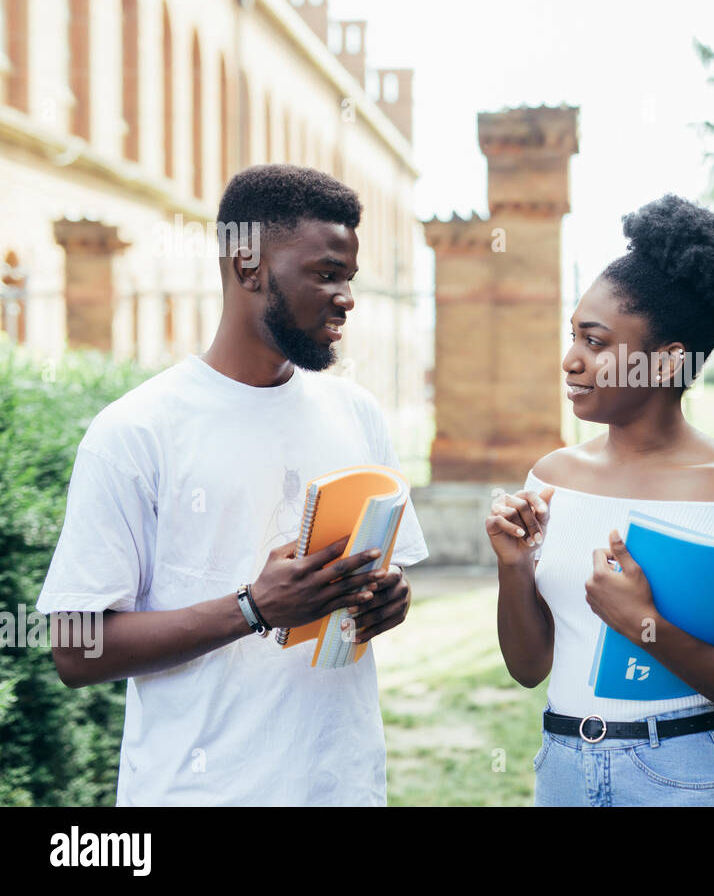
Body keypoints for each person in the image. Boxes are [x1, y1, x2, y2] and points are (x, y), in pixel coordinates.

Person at [37, 165, 429, 806]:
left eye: (348, 278)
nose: (347, 298)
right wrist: (254, 608)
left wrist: (388, 601)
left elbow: (389, 578)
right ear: (249, 267)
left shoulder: (356, 414)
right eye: (326, 273)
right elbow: (76, 650)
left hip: (342, 787)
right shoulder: (136, 430)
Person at [484, 194, 714, 807]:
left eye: (596, 343)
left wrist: (643, 625)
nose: (571, 361)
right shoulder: (549, 479)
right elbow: (528, 668)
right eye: (573, 336)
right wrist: (514, 566)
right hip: (563, 769)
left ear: (667, 361)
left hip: (679, 773)